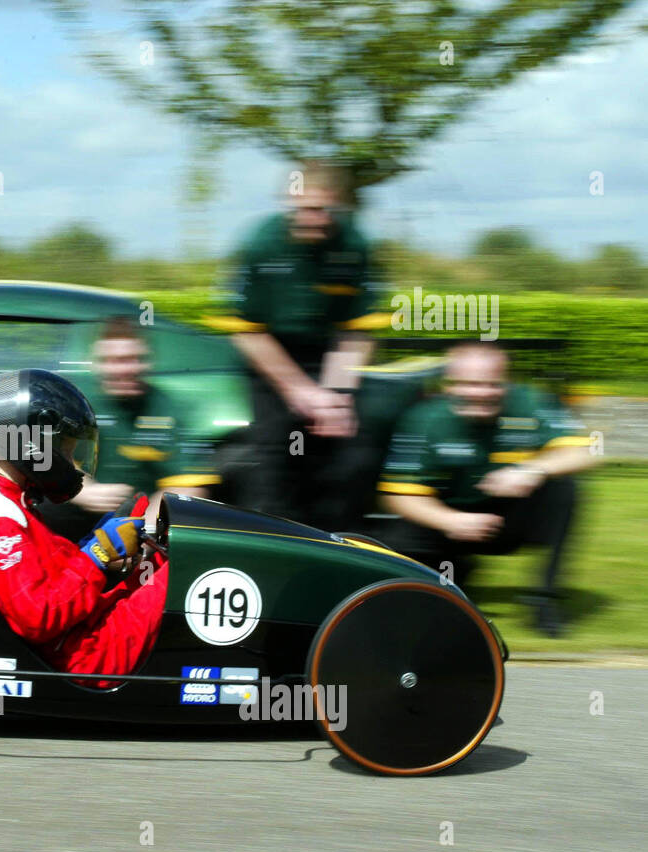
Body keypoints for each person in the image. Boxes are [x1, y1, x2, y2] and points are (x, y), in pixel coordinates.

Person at [0, 369, 169, 684]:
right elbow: (37, 616)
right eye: (65, 448)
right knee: (197, 569)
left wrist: (96, 548)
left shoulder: (14, 504)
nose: (71, 460)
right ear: (29, 444)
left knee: (168, 560)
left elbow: (49, 576)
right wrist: (97, 552)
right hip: (90, 654)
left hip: (93, 628)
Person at [208, 160, 386, 530]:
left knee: (351, 456)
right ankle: (274, 546)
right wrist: (301, 392)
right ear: (289, 201)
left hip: (330, 360)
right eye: (305, 209)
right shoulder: (260, 243)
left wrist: (337, 396)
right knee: (276, 455)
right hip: (271, 360)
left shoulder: (355, 244)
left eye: (323, 209)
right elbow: (246, 330)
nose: (314, 219)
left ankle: (339, 548)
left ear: (338, 203)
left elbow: (357, 330)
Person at [377, 342, 598, 636]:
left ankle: (544, 599)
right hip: (446, 522)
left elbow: (588, 452)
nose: (481, 393)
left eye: (492, 384)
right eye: (469, 384)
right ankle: (455, 574)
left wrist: (530, 470)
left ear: (506, 382)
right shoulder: (424, 418)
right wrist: (451, 520)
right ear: (450, 385)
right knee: (398, 554)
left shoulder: (531, 402)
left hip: (506, 520)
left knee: (564, 488)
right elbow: (398, 496)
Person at [41, 316, 219, 540]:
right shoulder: (75, 401)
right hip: (76, 518)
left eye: (135, 359)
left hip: (137, 524)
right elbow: (43, 459)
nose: (126, 369)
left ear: (148, 363)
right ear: (97, 364)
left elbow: (190, 485)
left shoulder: (165, 408)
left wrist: (144, 528)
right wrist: (83, 491)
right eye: (115, 360)